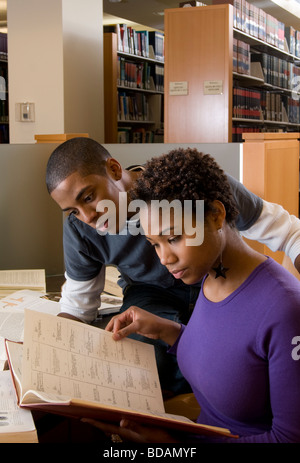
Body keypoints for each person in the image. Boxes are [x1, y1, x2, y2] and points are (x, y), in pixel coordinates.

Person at [46, 137, 300, 396]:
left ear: (114, 169)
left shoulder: (191, 185)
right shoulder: (81, 230)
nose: (88, 217)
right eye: (73, 211)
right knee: (138, 358)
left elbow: (290, 233)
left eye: (89, 197)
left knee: (241, 356)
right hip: (151, 293)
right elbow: (78, 305)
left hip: (217, 283)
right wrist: (44, 350)